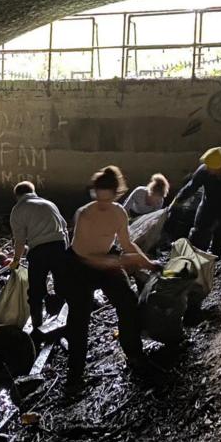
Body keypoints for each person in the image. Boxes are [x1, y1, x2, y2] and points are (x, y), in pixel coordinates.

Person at [65, 166, 160, 391]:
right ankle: (75, 375)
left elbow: (127, 244)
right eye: (99, 201)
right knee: (79, 319)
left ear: (116, 195)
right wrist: (118, 262)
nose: (103, 207)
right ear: (94, 194)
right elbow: (87, 255)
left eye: (108, 202)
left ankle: (134, 355)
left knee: (128, 302)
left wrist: (148, 263)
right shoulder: (85, 214)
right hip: (79, 264)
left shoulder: (119, 213)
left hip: (107, 258)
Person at [8, 181, 69, 333]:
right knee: (62, 286)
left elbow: (20, 240)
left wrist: (16, 261)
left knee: (36, 290)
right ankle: (63, 320)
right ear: (33, 191)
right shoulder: (49, 204)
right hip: (58, 247)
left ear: (17, 196)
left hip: (39, 251)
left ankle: (36, 325)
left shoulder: (18, 209)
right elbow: (64, 227)